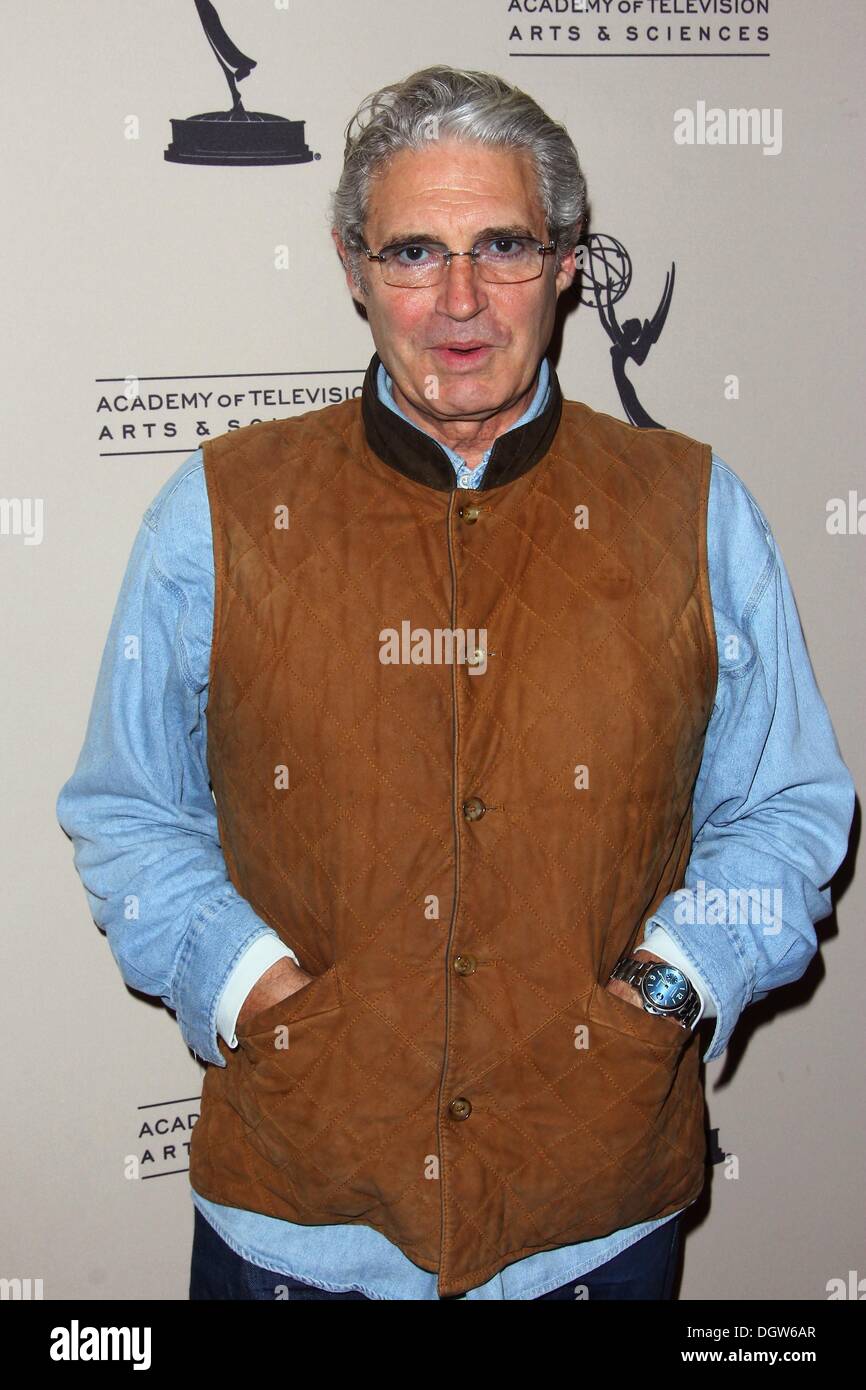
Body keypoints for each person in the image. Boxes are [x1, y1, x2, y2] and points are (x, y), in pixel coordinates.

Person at [56, 65, 854, 1301]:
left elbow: (789, 806)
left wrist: (668, 985)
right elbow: (125, 806)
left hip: (592, 1226)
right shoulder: (213, 512)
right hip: (291, 1224)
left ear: (570, 261)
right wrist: (254, 990)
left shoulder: (695, 509)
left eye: (505, 246)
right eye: (415, 251)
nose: (460, 300)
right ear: (351, 267)